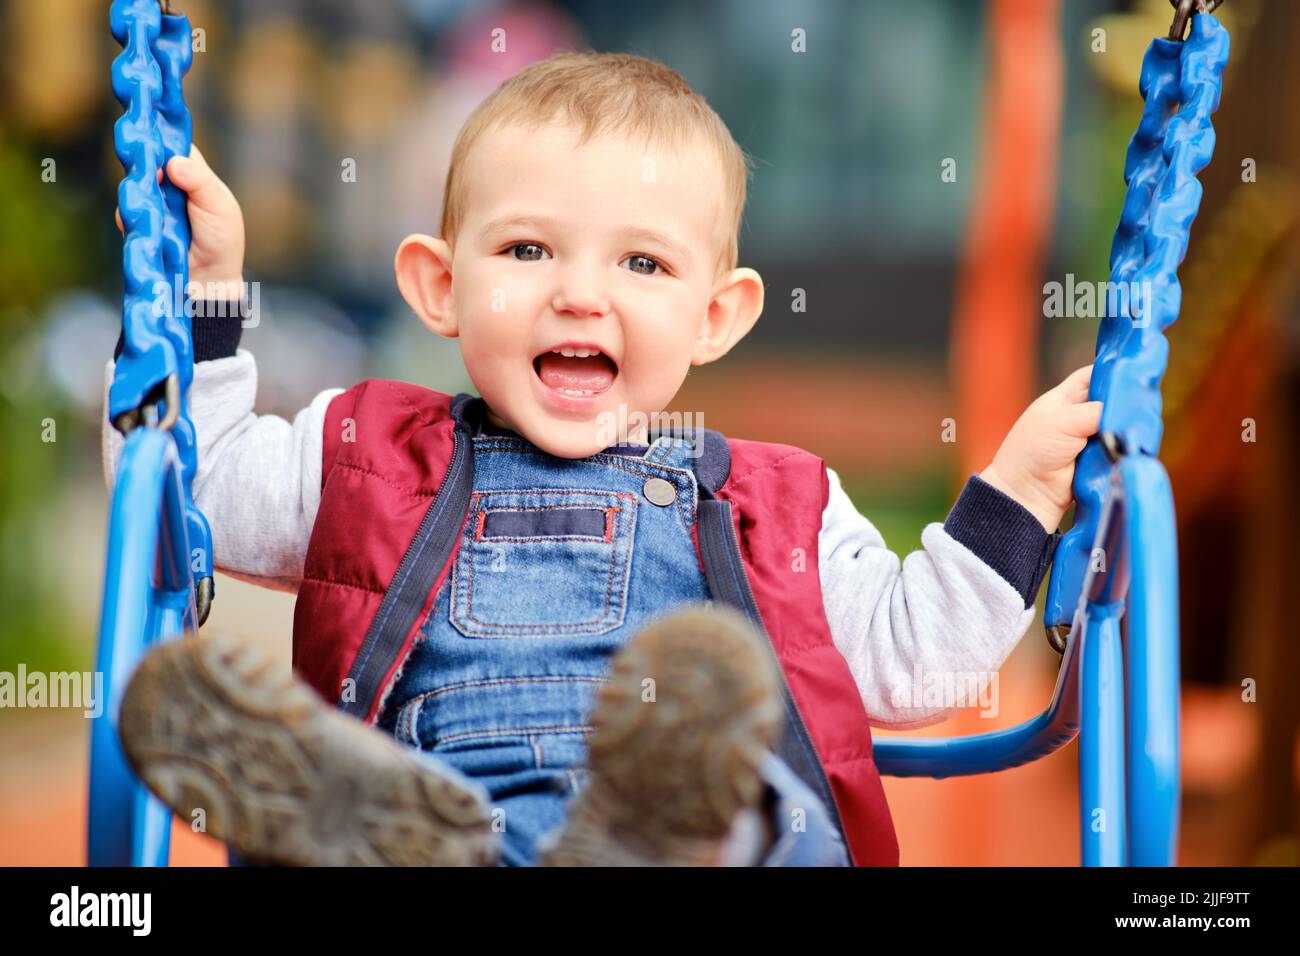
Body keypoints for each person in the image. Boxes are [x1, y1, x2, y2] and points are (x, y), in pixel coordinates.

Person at [106, 51, 1102, 867]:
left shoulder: (774, 501)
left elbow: (909, 657)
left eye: (642, 263)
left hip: (703, 831)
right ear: (438, 285)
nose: (581, 294)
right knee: (432, 824)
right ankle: (358, 814)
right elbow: (195, 489)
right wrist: (199, 303)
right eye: (529, 250)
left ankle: (642, 821)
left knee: (745, 794)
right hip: (455, 807)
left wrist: (1018, 487)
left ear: (717, 315)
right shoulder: (367, 450)